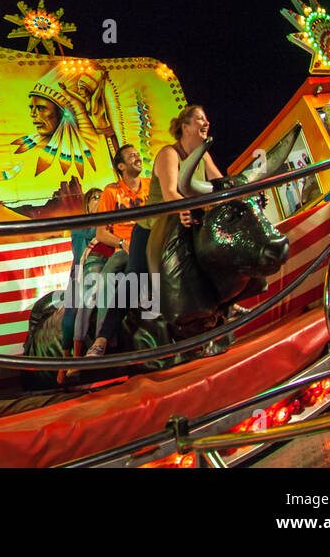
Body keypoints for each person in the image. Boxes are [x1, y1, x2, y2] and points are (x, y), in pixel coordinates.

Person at [88, 106, 220, 358]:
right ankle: (102, 339)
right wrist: (181, 208)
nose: (207, 122)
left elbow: (222, 183)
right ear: (185, 126)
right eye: (200, 119)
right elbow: (171, 191)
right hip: (149, 231)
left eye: (206, 118)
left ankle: (227, 308)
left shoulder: (202, 157)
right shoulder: (168, 154)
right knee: (133, 278)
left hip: (184, 226)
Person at [57, 187, 104, 383]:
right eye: (96, 198)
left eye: (103, 198)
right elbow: (80, 254)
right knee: (72, 310)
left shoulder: (109, 222)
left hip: (104, 268)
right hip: (82, 271)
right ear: (87, 203)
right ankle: (67, 359)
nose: (100, 201)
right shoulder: (81, 226)